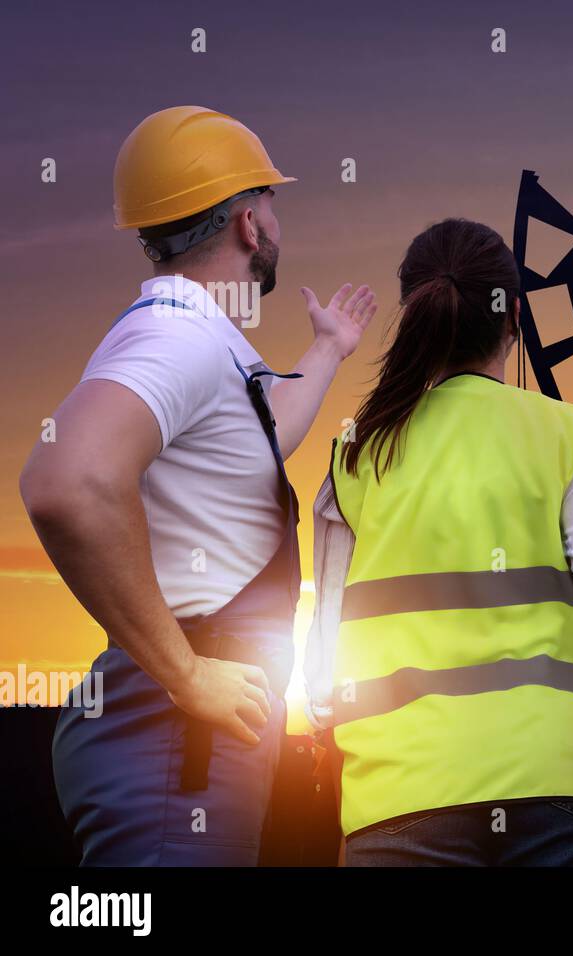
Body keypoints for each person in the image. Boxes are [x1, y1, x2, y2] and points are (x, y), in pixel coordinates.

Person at [19, 106, 376, 865]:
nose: (278, 217)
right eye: (271, 200)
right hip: (172, 742)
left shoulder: (203, 335)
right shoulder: (173, 338)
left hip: (187, 739)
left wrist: (328, 351)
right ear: (250, 224)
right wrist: (184, 675)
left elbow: (264, 434)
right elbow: (63, 481)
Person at [304, 217, 573, 866]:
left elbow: (322, 671)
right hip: (555, 783)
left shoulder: (357, 455)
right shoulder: (568, 437)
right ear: (514, 316)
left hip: (403, 792)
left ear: (415, 317)